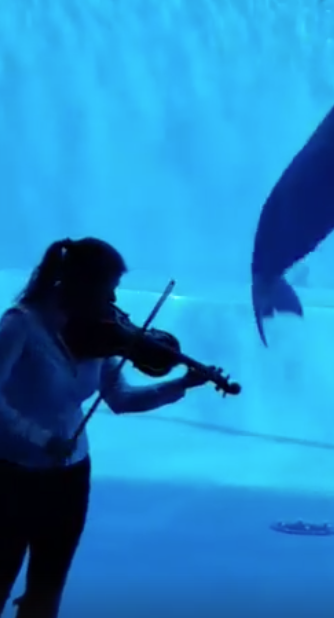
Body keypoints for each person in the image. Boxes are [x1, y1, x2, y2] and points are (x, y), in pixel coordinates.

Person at [0, 237, 210, 618]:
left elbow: (122, 399)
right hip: (12, 474)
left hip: (70, 477)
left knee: (47, 588)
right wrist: (40, 439)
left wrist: (180, 385)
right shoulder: (21, 325)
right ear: (77, 284)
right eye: (106, 291)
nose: (112, 304)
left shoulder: (97, 334)